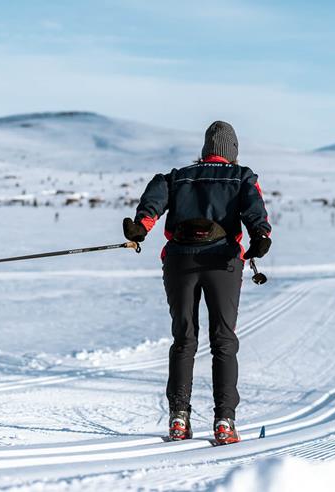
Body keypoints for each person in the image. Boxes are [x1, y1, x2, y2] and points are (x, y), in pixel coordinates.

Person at [122, 121, 272, 445]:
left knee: (184, 338)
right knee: (223, 340)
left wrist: (140, 227)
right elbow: (254, 210)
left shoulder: (176, 176)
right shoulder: (242, 177)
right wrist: (260, 235)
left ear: (206, 149)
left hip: (180, 261)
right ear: (231, 151)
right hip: (223, 263)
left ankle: (178, 418)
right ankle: (224, 422)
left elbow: (154, 198)